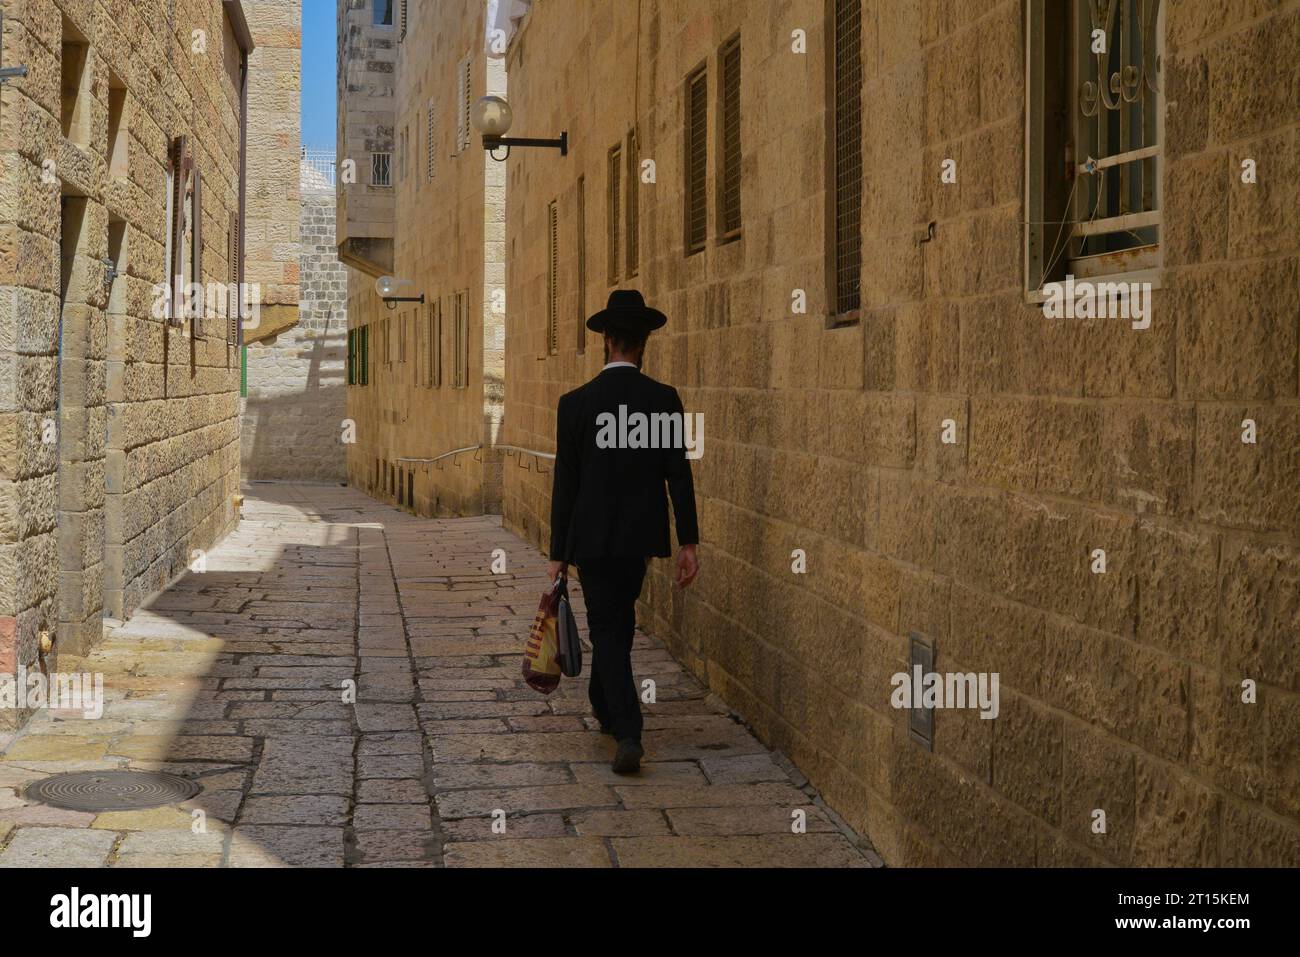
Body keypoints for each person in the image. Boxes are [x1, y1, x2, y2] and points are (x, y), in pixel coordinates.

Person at [548, 289, 700, 774]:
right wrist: (688, 541)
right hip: (639, 539)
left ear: (607, 341)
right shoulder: (663, 400)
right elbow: (678, 473)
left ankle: (629, 731)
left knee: (609, 626)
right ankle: (605, 707)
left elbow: (565, 485)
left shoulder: (575, 405)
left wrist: (558, 553)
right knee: (617, 624)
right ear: (643, 344)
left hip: (590, 540)